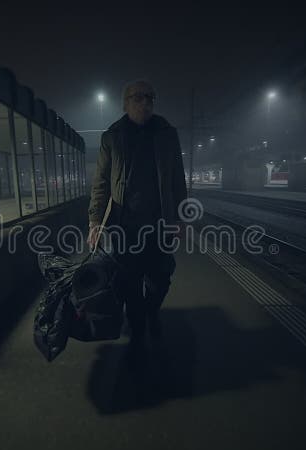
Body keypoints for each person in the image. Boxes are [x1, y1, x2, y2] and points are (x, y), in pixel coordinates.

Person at [86, 79, 188, 362]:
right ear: (126, 103)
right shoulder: (112, 137)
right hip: (124, 226)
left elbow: (178, 179)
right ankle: (140, 329)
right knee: (128, 282)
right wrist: (95, 222)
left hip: (159, 224)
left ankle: (150, 311)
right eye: (138, 98)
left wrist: (180, 217)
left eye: (149, 98)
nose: (144, 103)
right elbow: (101, 184)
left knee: (161, 276)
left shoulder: (167, 134)